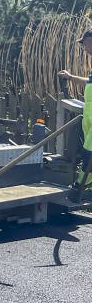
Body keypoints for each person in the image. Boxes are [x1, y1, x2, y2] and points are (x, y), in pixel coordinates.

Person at [59, 29, 92, 188]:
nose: (84, 48)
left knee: (89, 153)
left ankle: (80, 186)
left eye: (85, 43)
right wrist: (71, 77)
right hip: (89, 116)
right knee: (88, 151)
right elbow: (89, 83)